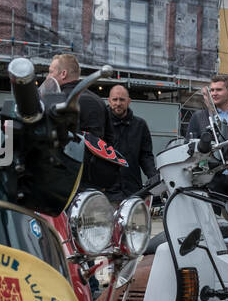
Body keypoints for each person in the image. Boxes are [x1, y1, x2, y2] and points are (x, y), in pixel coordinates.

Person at [47, 53, 113, 190]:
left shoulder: (56, 100)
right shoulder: (98, 101)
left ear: (63, 74)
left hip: (63, 180)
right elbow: (109, 141)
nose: (48, 77)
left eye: (50, 72)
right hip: (95, 180)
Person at [185, 73, 228, 201]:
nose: (214, 93)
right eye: (212, 90)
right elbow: (188, 146)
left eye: (219, 89)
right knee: (210, 220)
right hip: (209, 179)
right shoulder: (199, 117)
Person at [106, 85, 157, 202]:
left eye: (122, 99)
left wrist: (154, 177)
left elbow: (146, 156)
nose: (118, 103)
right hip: (107, 192)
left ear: (129, 101)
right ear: (109, 100)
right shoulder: (101, 123)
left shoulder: (140, 125)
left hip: (132, 191)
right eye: (115, 99)